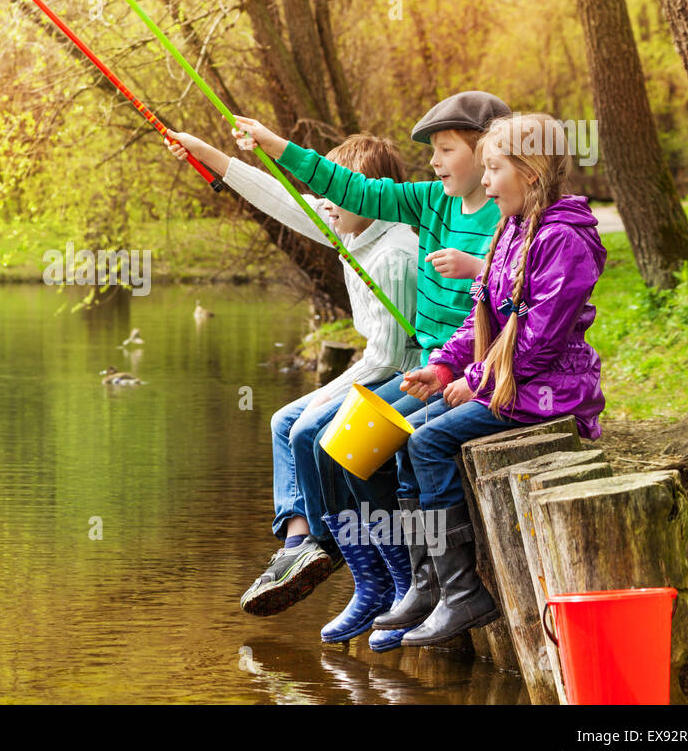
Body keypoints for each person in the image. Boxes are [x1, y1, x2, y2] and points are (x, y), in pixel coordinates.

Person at [230, 90, 510, 649]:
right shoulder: (433, 202)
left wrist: (478, 267)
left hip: (474, 375)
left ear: (486, 152)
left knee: (365, 445)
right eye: (433, 150)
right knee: (344, 446)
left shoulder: (508, 220)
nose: (433, 161)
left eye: (446, 149)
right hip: (436, 365)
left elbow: (525, 302)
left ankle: (414, 583)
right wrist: (272, 144)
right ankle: (382, 582)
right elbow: (356, 189)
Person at [163, 130, 418, 617]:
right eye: (326, 192)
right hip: (378, 365)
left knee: (310, 430)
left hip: (402, 372)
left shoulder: (394, 254)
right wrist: (209, 154)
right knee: (283, 422)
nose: (325, 202)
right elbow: (278, 197)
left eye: (336, 192)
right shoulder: (351, 227)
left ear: (371, 192)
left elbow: (389, 358)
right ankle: (298, 541)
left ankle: (344, 555)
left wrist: (329, 397)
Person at [381, 112, 606, 647]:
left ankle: (463, 593)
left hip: (549, 391)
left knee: (429, 441)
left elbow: (538, 340)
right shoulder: (511, 229)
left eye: (494, 168)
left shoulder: (565, 241)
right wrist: (444, 366)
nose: (484, 181)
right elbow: (483, 314)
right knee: (397, 436)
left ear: (530, 172)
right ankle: (428, 580)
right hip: (512, 380)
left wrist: (477, 381)